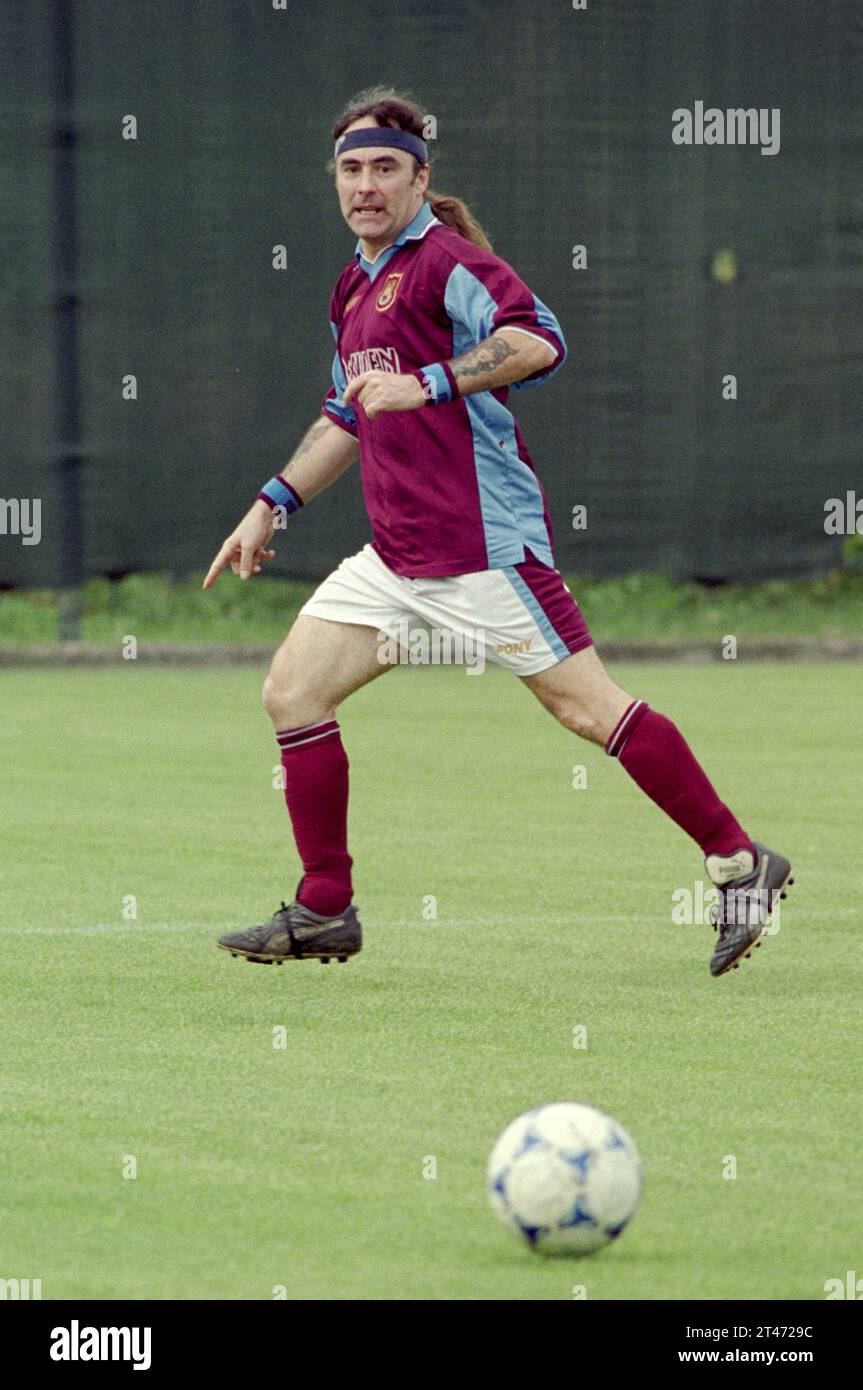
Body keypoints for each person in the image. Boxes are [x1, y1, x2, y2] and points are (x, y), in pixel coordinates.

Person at [203, 87, 792, 978]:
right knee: (292, 693)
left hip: (483, 550)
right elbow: (347, 412)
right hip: (396, 560)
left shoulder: (446, 263)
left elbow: (538, 339)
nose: (365, 185)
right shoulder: (353, 284)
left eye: (385, 168)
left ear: (419, 179)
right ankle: (324, 906)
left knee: (587, 709)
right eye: (351, 169)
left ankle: (741, 864)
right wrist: (270, 503)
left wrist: (428, 382)